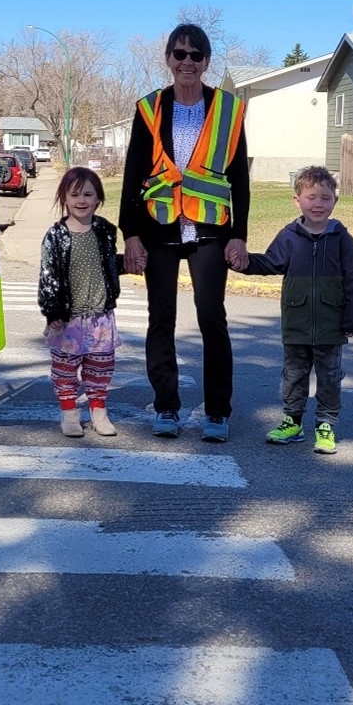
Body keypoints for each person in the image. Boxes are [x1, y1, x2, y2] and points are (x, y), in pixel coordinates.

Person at [119, 22, 250, 443]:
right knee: (162, 320)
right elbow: (134, 173)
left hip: (210, 229)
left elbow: (239, 179)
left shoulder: (228, 109)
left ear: (207, 61)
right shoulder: (150, 107)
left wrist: (239, 235)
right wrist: (131, 233)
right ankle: (167, 408)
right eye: (179, 54)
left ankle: (217, 412)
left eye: (196, 55)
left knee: (212, 319)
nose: (187, 62)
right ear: (168, 60)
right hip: (160, 226)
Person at [237, 165, 353, 454]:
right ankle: (292, 421)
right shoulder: (289, 236)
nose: (318, 204)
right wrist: (243, 262)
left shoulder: (342, 239)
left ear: (335, 200)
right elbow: (271, 262)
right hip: (296, 323)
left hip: (331, 326)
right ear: (297, 201)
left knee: (330, 376)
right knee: (293, 374)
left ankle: (326, 424)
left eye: (325, 197)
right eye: (311, 197)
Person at [38, 166, 124, 438]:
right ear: (64, 197)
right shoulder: (55, 235)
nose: (81, 200)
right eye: (74, 194)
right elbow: (47, 274)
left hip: (100, 314)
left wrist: (127, 266)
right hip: (68, 316)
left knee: (100, 367)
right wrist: (52, 311)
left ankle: (99, 411)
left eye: (88, 194)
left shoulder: (106, 231)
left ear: (98, 197)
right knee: (65, 368)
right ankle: (69, 413)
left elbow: (108, 265)